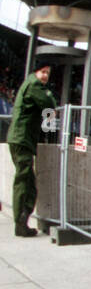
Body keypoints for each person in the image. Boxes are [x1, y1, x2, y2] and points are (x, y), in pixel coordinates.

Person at [7, 63, 56, 237]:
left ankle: (22, 220)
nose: (45, 76)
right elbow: (48, 103)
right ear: (35, 72)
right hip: (22, 140)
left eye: (47, 73)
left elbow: (47, 109)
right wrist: (50, 98)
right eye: (43, 72)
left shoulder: (30, 84)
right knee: (24, 181)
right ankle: (20, 224)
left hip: (21, 139)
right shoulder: (34, 85)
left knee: (28, 182)